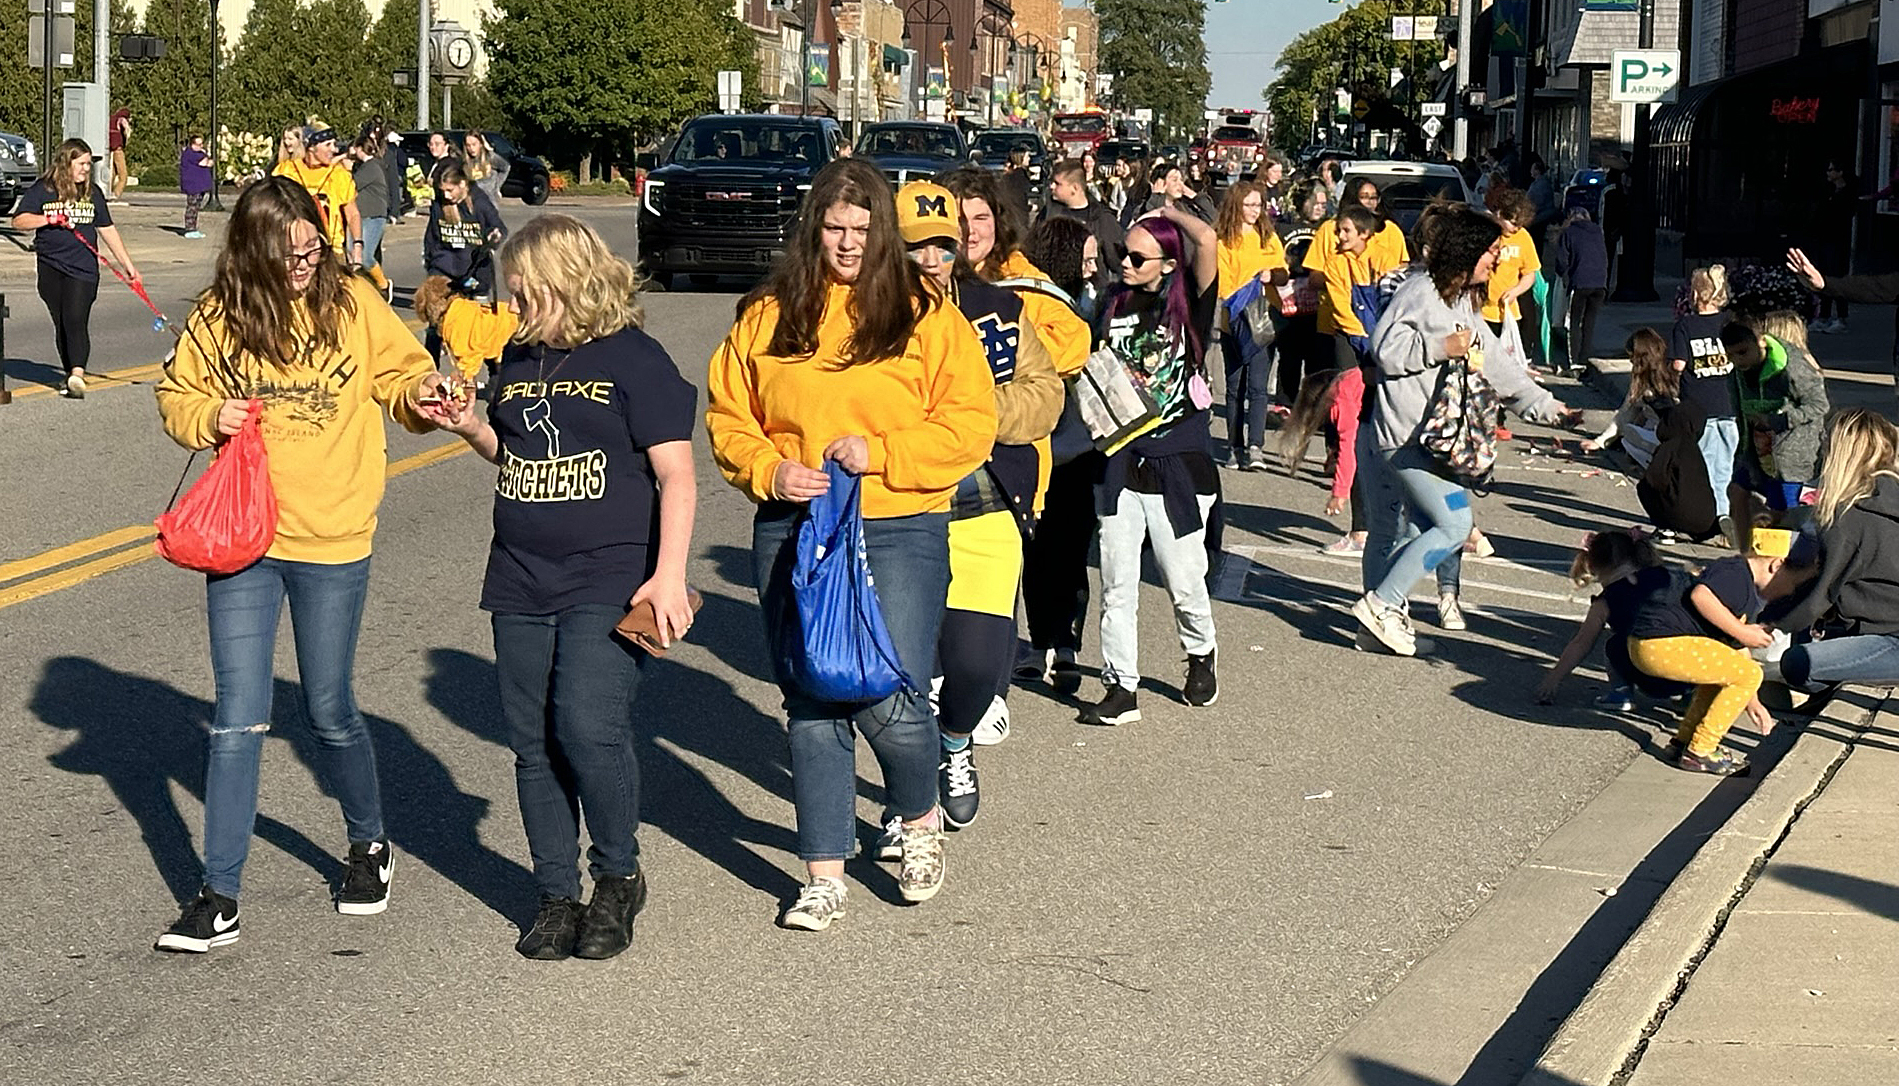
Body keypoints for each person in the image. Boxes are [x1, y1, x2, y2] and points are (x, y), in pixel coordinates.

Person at [150, 176, 449, 952]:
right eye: (289, 255)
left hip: (334, 536)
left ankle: (369, 843)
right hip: (244, 539)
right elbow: (177, 394)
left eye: (312, 248)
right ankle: (218, 895)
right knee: (237, 716)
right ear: (253, 252)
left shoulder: (353, 304)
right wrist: (207, 415)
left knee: (327, 709)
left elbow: (400, 377)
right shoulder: (221, 315)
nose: (304, 264)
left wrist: (427, 394)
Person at [704, 158, 996, 930]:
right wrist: (770, 469)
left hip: (898, 523)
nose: (845, 243)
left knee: (880, 687)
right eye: (833, 227)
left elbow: (970, 424)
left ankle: (918, 819)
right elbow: (729, 414)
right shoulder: (769, 314)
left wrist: (884, 452)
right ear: (812, 228)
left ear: (884, 233)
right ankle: (823, 873)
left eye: (861, 229)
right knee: (810, 695)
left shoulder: (925, 313)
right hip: (796, 524)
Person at [420, 214, 696, 961]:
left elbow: (676, 474)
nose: (511, 306)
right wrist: (470, 424)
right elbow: (511, 452)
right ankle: (553, 895)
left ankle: (617, 877)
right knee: (533, 742)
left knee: (586, 725)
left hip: (611, 569)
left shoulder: (634, 357)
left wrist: (668, 576)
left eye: (522, 292)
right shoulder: (520, 355)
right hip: (518, 571)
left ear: (565, 283)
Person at [896, 179, 1062, 822]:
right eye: (916, 247)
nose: (932, 260)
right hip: (902, 506)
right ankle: (909, 799)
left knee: (975, 666)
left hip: (987, 503)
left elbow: (1045, 395)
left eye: (943, 246)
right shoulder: (869, 317)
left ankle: (955, 741)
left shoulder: (1000, 308)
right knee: (906, 666)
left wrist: (970, 412)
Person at [1353, 205, 1572, 655]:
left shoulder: (1461, 304)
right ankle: (1382, 604)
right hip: (1405, 438)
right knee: (1454, 523)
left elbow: (1497, 365)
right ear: (1466, 251)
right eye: (1490, 251)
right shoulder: (1421, 291)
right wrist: (1441, 346)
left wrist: (1549, 408)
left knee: (1417, 530)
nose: (1497, 259)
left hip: (1434, 441)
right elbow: (1384, 351)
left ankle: (1376, 627)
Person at [1080, 204, 1223, 726]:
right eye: (1123, 253)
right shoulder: (1109, 303)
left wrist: (1171, 211)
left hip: (1177, 462)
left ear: (1167, 264)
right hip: (1121, 461)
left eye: (1139, 257)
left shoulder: (1188, 307)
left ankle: (1201, 651)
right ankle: (1121, 686)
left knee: (1183, 580)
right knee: (1117, 584)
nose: (1126, 263)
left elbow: (1208, 242)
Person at [1626, 529, 1816, 775]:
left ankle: (1684, 742)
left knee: (1727, 674)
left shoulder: (1738, 579)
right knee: (1750, 674)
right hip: (1661, 643)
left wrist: (1752, 701)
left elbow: (1736, 652)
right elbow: (1701, 596)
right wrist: (1742, 631)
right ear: (1776, 566)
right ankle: (1701, 750)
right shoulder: (1737, 577)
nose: (1790, 593)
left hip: (1650, 643)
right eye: (1794, 585)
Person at [1019, 214, 1102, 695]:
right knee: (1038, 552)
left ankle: (1065, 644)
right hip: (1038, 444)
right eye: (1086, 259)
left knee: (1069, 551)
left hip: (1076, 447)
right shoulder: (1035, 303)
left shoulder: (1091, 303)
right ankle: (1041, 642)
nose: (1093, 269)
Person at [1770, 410, 1899, 689]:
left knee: (1799, 661)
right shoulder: (1887, 500)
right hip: (1878, 624)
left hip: (1889, 638)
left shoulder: (1848, 518)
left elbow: (1817, 595)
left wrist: (1764, 625)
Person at [10, 139, 140, 399]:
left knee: (75, 318)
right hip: (50, 265)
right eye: (81, 163)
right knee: (61, 322)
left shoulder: (92, 193)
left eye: (88, 164)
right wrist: (49, 219)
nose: (85, 169)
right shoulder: (43, 189)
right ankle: (70, 374)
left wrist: (128, 265)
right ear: (65, 162)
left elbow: (107, 229)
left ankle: (78, 374)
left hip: (83, 268)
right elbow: (19, 221)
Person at [1534, 529, 1688, 711]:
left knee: (1615, 644)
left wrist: (1554, 677)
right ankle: (1692, 697)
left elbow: (1581, 643)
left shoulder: (1605, 602)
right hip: (1698, 666)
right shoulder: (1668, 576)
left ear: (1592, 565)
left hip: (1652, 673)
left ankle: (1621, 693)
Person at [1214, 180, 1291, 469]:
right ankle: (1234, 446)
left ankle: (1256, 446)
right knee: (1235, 387)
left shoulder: (1267, 237)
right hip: (1234, 320)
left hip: (1263, 319)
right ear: (1236, 206)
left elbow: (1283, 272)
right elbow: (1222, 284)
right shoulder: (1223, 240)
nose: (1254, 210)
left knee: (1258, 387)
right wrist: (1242, 293)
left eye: (1258, 205)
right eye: (1248, 205)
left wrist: (1272, 275)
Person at [1726, 316, 1828, 523]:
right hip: (1757, 451)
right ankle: (1743, 538)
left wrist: (1778, 421)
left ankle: (1785, 536)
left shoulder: (1791, 366)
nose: (1737, 360)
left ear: (1761, 341)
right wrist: (1743, 449)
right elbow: (1740, 412)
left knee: (1785, 514)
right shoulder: (1736, 373)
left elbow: (1819, 405)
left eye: (1743, 352)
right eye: (1730, 355)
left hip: (1791, 455)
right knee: (1737, 491)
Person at [1670, 264, 1739, 541]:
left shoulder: (1686, 326)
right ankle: (1725, 511)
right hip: (1730, 403)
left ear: (1696, 295)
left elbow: (1678, 364)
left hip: (1700, 406)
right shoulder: (1730, 324)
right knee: (1726, 465)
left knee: (1705, 465)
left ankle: (1712, 516)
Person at [1279, 366, 1366, 554]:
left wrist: (1339, 493)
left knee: (1360, 469)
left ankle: (1359, 536)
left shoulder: (1341, 394)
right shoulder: (1348, 379)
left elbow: (1349, 446)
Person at [1584, 327, 1675, 471]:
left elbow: (1626, 413)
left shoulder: (1644, 384)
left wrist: (1600, 442)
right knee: (1639, 419)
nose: (1631, 361)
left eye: (1632, 357)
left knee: (1630, 433)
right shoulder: (1673, 372)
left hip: (1660, 434)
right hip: (1674, 434)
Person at [1314, 205, 1395, 369]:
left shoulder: (1384, 257)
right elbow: (1340, 305)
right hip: (1346, 330)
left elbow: (1393, 299)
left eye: (1346, 231)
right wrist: (1360, 334)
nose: (1340, 236)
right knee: (1348, 379)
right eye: (1338, 231)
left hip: (1381, 328)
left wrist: (1379, 333)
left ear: (1364, 233)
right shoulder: (1335, 262)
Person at [273, 120, 363, 266]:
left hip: (331, 250)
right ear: (311, 147)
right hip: (296, 250)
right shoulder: (287, 171)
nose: (334, 149)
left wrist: (357, 246)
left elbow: (352, 213)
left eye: (334, 144)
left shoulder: (339, 175)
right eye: (328, 145)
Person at [1276, 182, 1332, 401]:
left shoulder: (1328, 229)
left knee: (1316, 363)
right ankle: (1285, 404)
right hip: (1288, 305)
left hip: (1318, 306)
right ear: (1302, 202)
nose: (1320, 208)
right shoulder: (1283, 228)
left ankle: (1311, 407)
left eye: (1324, 204)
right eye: (1315, 203)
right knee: (1289, 359)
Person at [1044, 158, 1125, 295]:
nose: (1051, 186)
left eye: (1057, 183)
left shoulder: (1101, 218)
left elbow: (1118, 260)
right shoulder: (1049, 215)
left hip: (1093, 293)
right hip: (1056, 291)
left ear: (1075, 188)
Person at [1481, 191, 1541, 362]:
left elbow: (1530, 273)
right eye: (1513, 223)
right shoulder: (1485, 232)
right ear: (1499, 214)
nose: (1516, 229)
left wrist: (1516, 291)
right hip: (1482, 312)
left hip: (1510, 313)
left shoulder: (1523, 237)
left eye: (1520, 225)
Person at [1550, 207, 1608, 373]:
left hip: (1580, 282)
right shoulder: (1598, 232)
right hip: (1600, 282)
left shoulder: (1569, 233)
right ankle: (1584, 358)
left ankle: (1573, 361)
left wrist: (1565, 277)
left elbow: (1562, 261)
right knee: (1589, 322)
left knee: (1573, 322)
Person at [1812, 161, 1856, 334]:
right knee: (1824, 277)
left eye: (1831, 170)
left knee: (1837, 277)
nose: (1828, 173)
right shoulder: (1828, 191)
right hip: (1825, 238)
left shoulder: (1847, 194)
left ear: (1840, 172)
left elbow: (1844, 215)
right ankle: (1824, 315)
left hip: (1838, 241)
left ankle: (1841, 317)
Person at [348, 130, 392, 297]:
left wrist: (347, 168)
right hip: (361, 215)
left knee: (366, 256)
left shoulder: (372, 166)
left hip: (373, 216)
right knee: (352, 253)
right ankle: (362, 287)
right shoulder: (366, 166)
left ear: (360, 149)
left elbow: (352, 184)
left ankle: (383, 284)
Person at [464, 130, 511, 208]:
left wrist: (497, 187)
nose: (471, 148)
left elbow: (505, 168)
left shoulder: (490, 157)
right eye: (468, 145)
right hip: (472, 203)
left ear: (481, 144)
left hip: (489, 203)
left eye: (474, 144)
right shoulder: (465, 162)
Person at [180, 134, 214, 239]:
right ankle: (189, 229)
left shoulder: (200, 153)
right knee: (192, 207)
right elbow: (204, 162)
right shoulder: (190, 154)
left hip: (200, 186)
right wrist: (207, 160)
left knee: (196, 207)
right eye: (198, 144)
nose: (201, 146)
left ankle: (193, 228)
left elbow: (210, 162)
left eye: (201, 144)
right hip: (193, 186)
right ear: (192, 144)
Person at [996, 146, 1035, 228]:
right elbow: (1020, 196)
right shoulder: (1020, 176)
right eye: (1027, 156)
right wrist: (1030, 207)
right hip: (1019, 216)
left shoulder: (1006, 176)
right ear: (1020, 158)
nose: (1029, 159)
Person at [108, 105, 131, 201]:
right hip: (118, 149)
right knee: (123, 175)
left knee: (112, 174)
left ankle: (107, 192)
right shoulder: (121, 119)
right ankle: (116, 194)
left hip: (109, 150)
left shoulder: (110, 119)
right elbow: (127, 132)